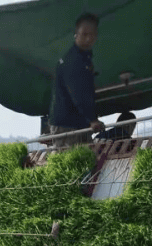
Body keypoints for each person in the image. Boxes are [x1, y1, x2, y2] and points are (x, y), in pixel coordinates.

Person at [48, 13, 105, 147]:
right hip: (66, 125)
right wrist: (92, 120)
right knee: (71, 163)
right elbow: (79, 93)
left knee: (86, 161)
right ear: (75, 34)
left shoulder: (84, 58)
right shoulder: (73, 61)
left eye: (92, 34)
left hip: (77, 123)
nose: (88, 38)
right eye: (84, 34)